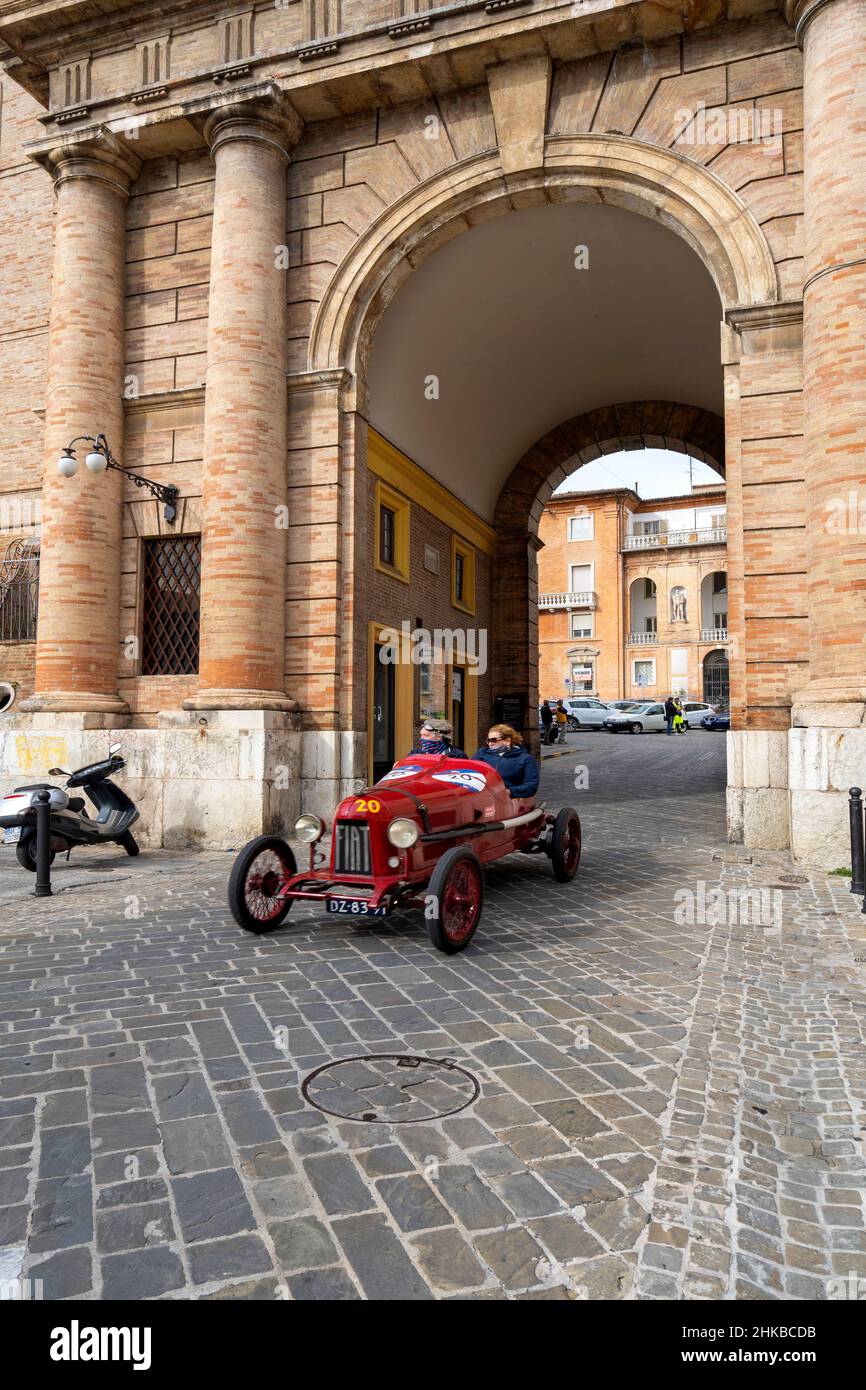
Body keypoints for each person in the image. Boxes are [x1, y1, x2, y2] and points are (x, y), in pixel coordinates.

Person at [472, 724, 539, 798]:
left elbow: (531, 786)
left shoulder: (526, 759)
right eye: (488, 740)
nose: (490, 743)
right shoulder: (481, 753)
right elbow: (469, 772)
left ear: (507, 741)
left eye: (494, 740)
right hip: (480, 797)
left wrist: (509, 791)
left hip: (507, 802)